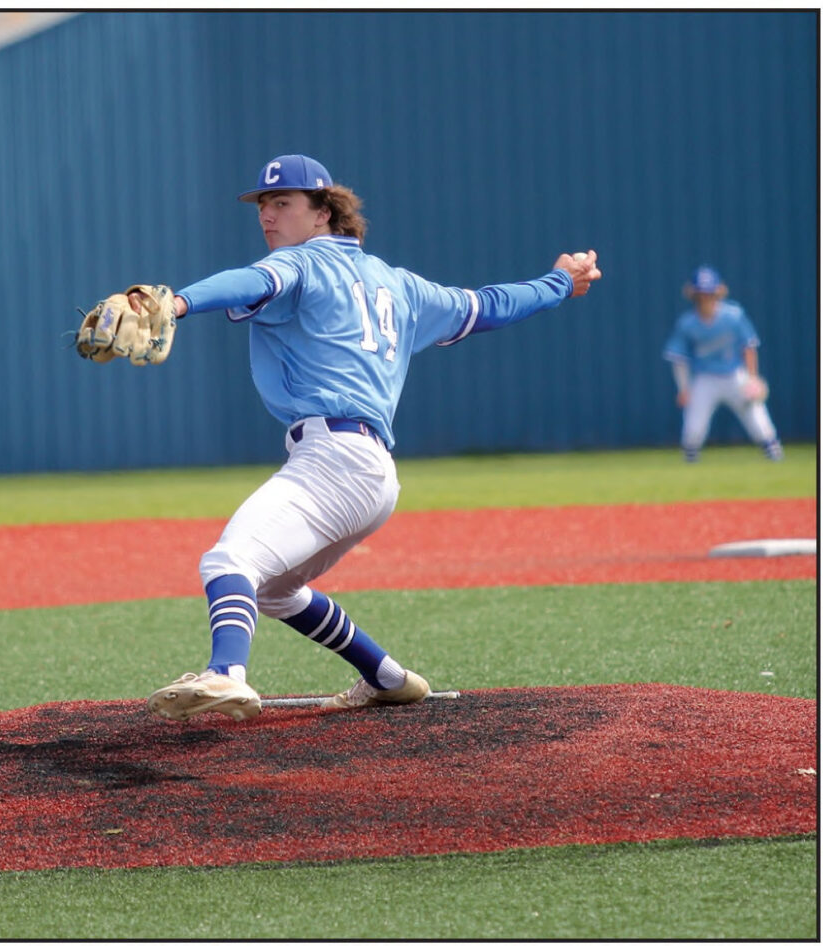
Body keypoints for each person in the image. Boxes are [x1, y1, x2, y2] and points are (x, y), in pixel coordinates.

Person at [142, 154, 602, 723]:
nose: (267, 216)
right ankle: (385, 677)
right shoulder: (400, 285)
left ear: (324, 212)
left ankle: (226, 673)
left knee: (228, 561)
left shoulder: (300, 266)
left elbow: (251, 280)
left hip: (332, 459)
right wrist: (560, 282)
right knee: (274, 591)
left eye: (282, 202)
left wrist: (177, 301)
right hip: (373, 475)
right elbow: (489, 305)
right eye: (262, 204)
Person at [662, 266, 783, 463]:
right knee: (694, 428)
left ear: (718, 292)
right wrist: (684, 388)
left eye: (709, 293)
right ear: (694, 295)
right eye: (701, 294)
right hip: (705, 378)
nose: (705, 298)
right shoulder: (687, 323)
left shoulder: (733, 315)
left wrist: (752, 378)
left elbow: (749, 346)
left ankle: (775, 457)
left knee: (758, 419)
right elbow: (678, 358)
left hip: (735, 375)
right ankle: (689, 464)